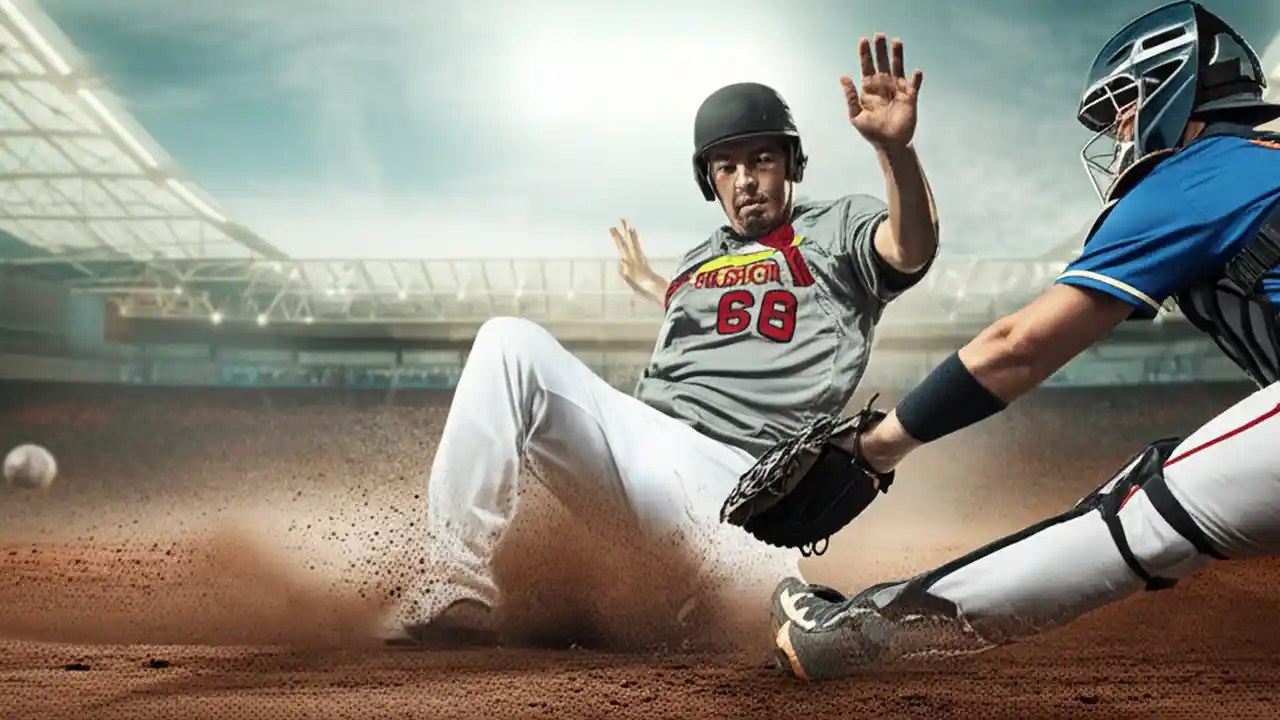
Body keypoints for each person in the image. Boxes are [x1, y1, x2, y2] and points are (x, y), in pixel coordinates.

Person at [769, 0, 1280, 682]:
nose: (1121, 128)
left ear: (1178, 84)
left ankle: (860, 635)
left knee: (1141, 511)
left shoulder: (1199, 174)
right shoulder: (1260, 162)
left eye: (1126, 105)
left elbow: (1019, 346)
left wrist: (874, 446)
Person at [381, 33, 940, 646]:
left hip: (743, 485)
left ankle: (672, 608)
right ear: (709, 180)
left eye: (761, 159)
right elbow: (713, 303)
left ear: (792, 164)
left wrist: (896, 154)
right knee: (508, 342)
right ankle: (455, 583)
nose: (745, 179)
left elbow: (909, 249)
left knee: (756, 625)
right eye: (726, 166)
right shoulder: (698, 262)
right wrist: (655, 283)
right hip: (640, 457)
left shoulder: (835, 227)